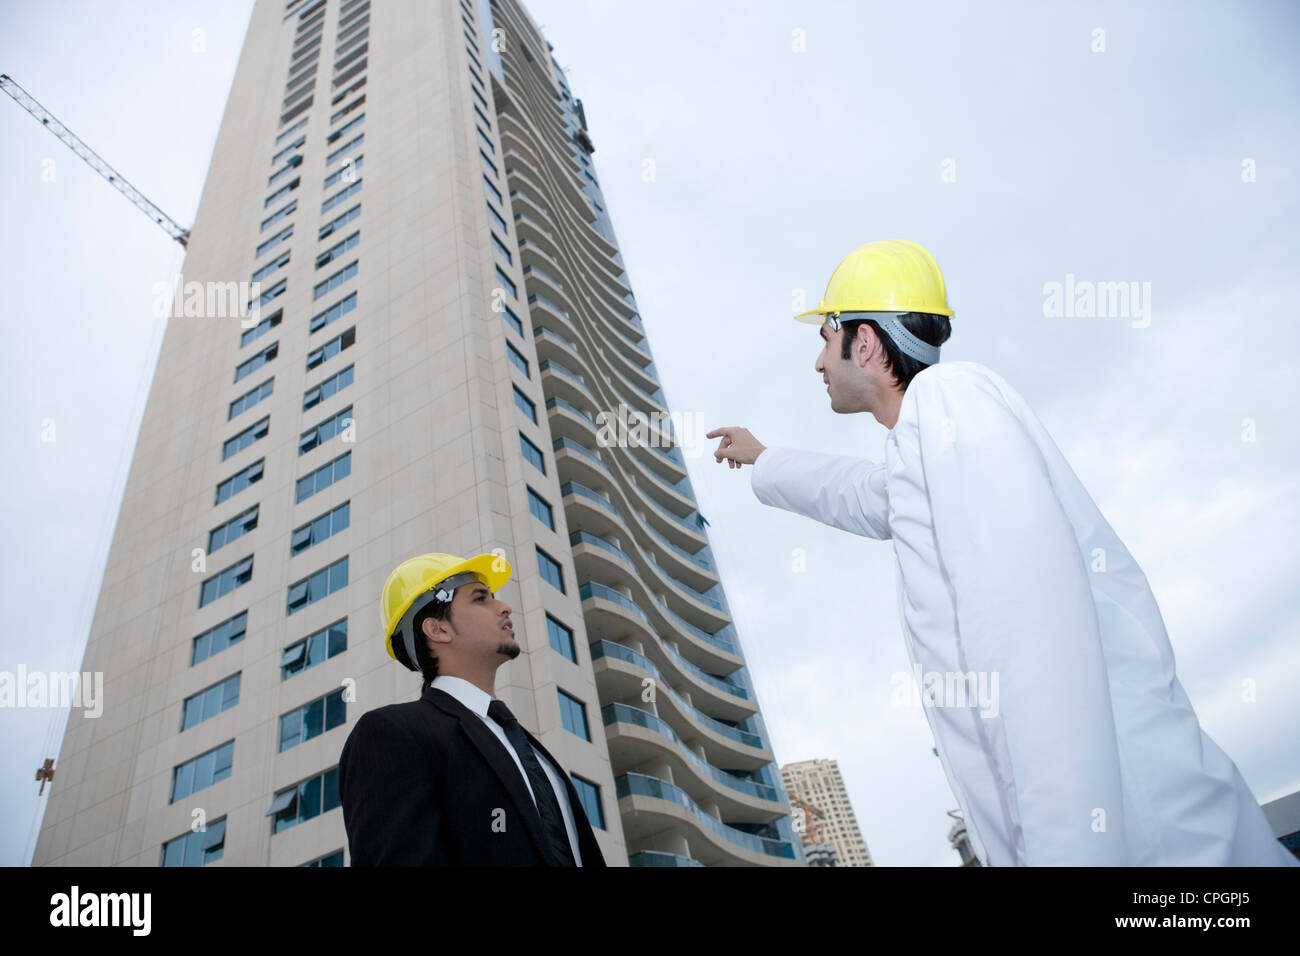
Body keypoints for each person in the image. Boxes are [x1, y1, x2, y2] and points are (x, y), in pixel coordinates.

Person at [707, 239, 1297, 867]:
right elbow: (864, 494)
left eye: (825, 339)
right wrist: (765, 459)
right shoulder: (928, 443)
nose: (818, 363)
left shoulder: (951, 402)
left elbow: (1035, 645)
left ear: (867, 343)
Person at [338, 552, 608, 866]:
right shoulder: (392, 734)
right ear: (437, 629)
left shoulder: (529, 750)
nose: (504, 607)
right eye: (481, 599)